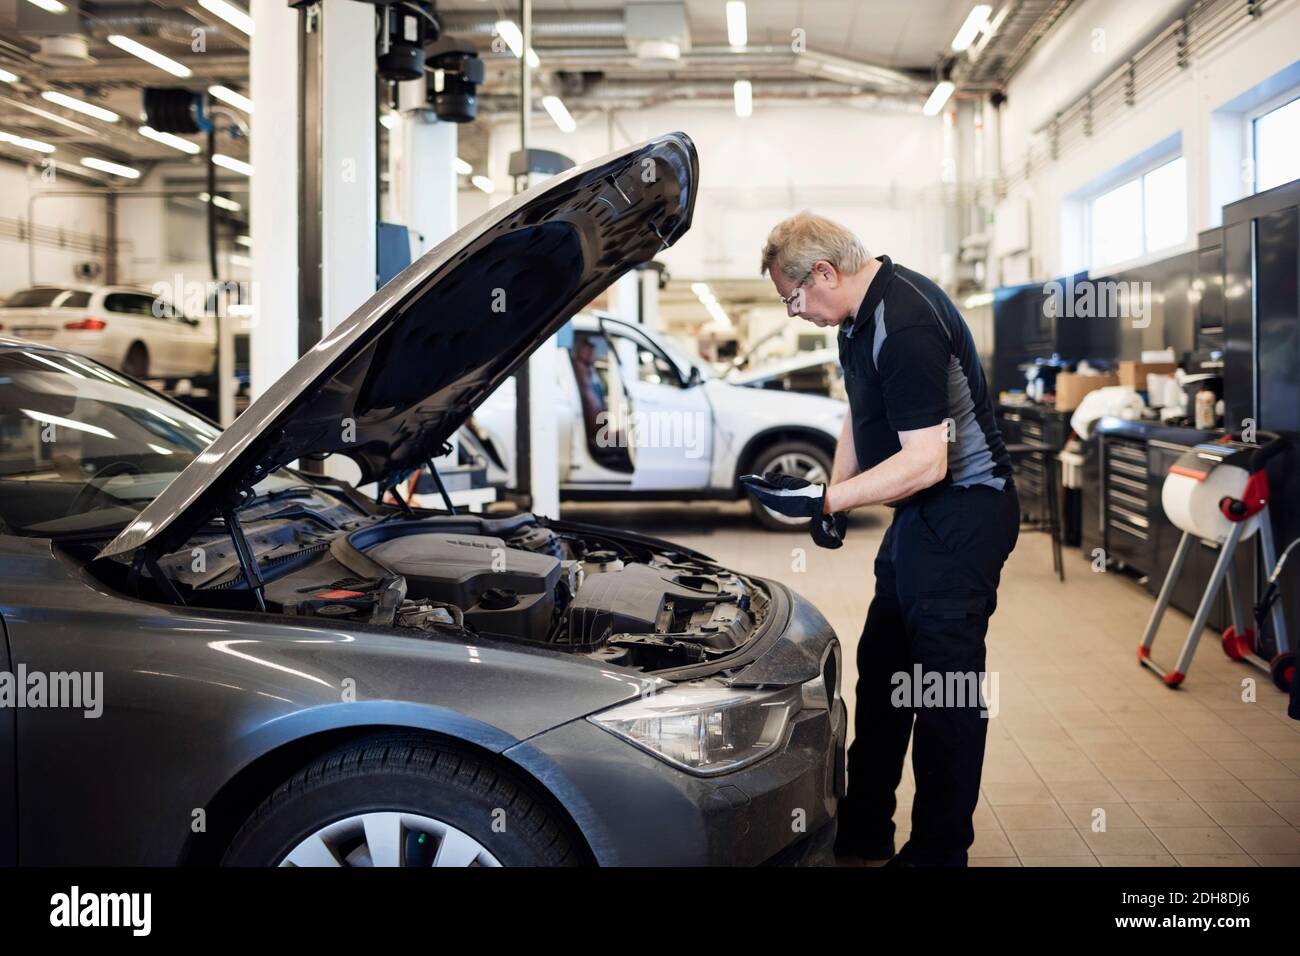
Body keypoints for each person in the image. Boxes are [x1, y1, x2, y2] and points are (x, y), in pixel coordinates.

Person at [748, 211, 1019, 867]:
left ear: (824, 272)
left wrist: (825, 496)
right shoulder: (857, 322)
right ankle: (866, 828)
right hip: (919, 519)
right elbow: (860, 414)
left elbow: (928, 461)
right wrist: (833, 496)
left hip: (964, 512)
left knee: (943, 692)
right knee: (884, 673)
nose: (793, 312)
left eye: (793, 297)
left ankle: (937, 851)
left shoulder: (906, 321)